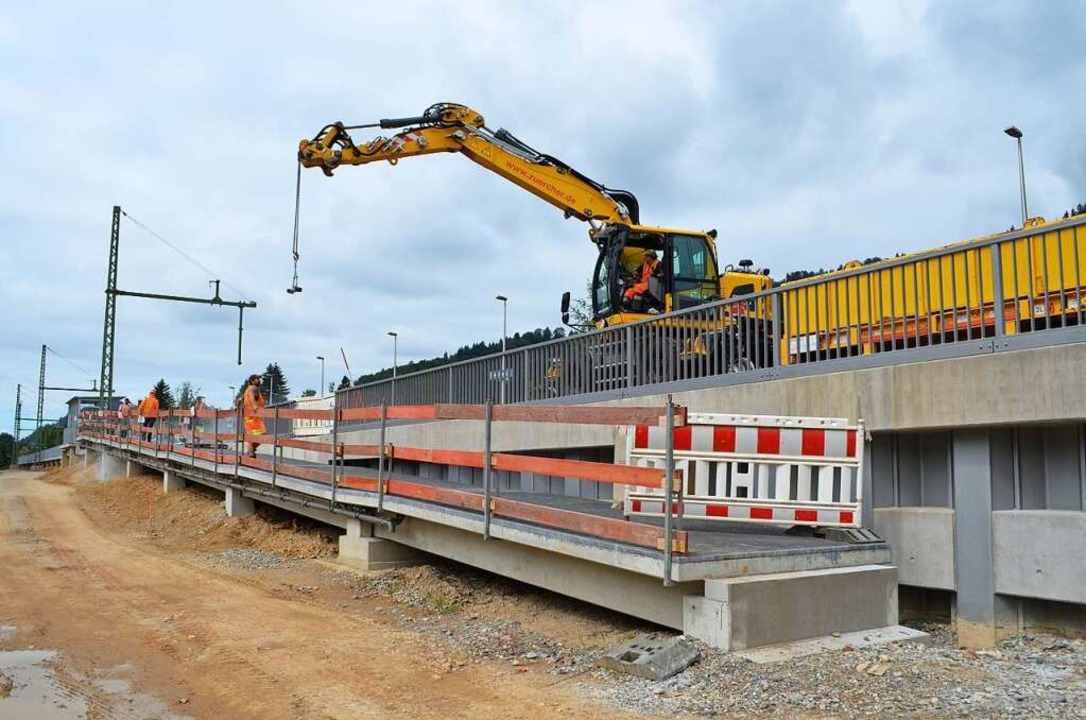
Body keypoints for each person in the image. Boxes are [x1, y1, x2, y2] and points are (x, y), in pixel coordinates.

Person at [237, 374, 266, 458]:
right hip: (253, 417)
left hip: (250, 417)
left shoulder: (248, 389)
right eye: (257, 379)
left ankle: (251, 451)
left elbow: (239, 400)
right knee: (261, 435)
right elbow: (251, 397)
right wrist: (254, 406)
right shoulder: (253, 388)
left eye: (259, 379)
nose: (259, 380)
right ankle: (251, 451)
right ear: (252, 381)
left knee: (255, 436)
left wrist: (238, 407)